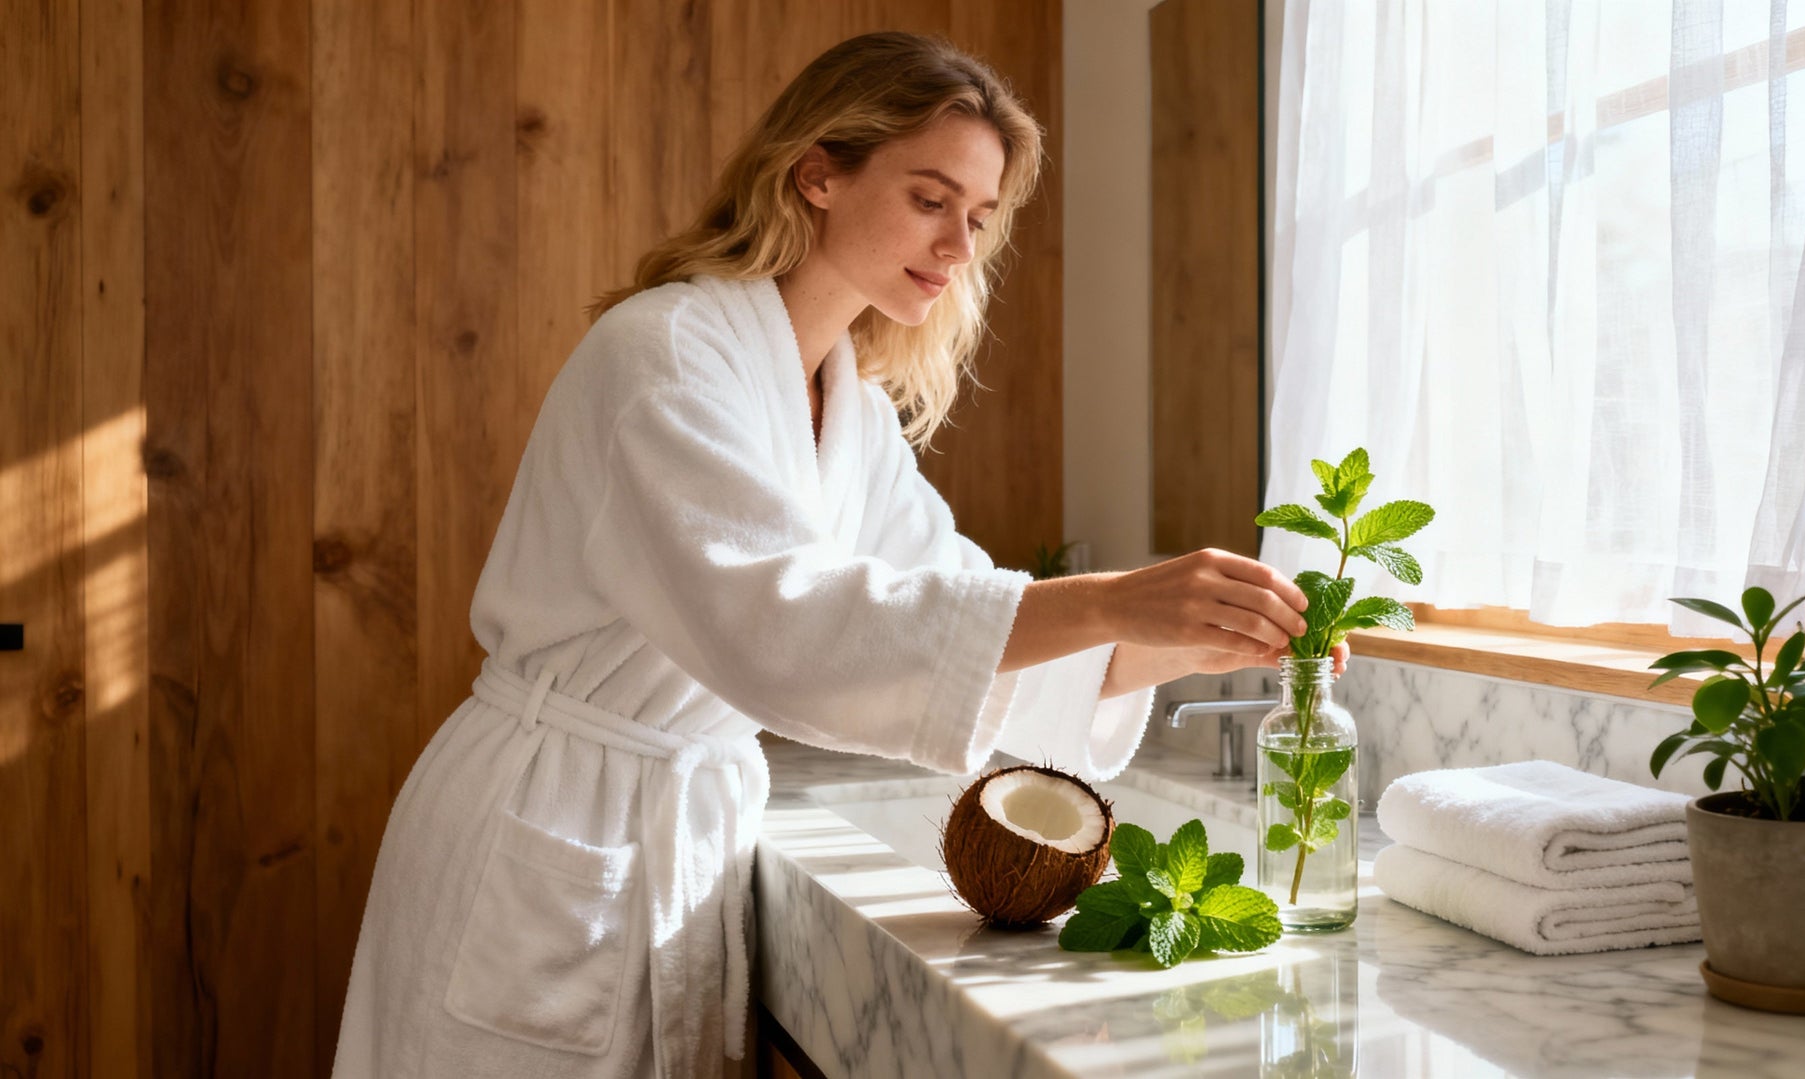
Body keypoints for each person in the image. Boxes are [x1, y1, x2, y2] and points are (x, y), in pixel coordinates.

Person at [331, 30, 1341, 1079]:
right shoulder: (666, 352)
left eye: (981, 218)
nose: (959, 246)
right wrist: (1113, 599)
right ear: (818, 171)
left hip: (667, 827)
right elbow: (793, 628)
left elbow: (954, 606)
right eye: (929, 198)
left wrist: (1185, 636)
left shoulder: (844, 409)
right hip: (552, 829)